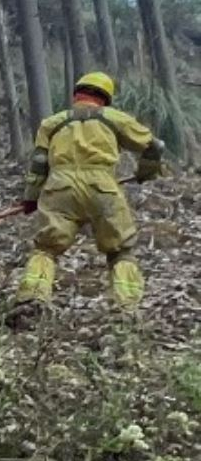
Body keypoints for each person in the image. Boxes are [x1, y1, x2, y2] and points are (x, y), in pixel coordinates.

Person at [14, 71, 164, 312]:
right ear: (105, 98)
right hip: (102, 188)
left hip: (59, 188)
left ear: (76, 95)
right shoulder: (115, 118)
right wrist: (146, 172)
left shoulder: (52, 123)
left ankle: (31, 299)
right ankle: (127, 308)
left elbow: (39, 163)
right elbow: (154, 146)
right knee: (120, 250)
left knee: (46, 248)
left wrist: (31, 198)